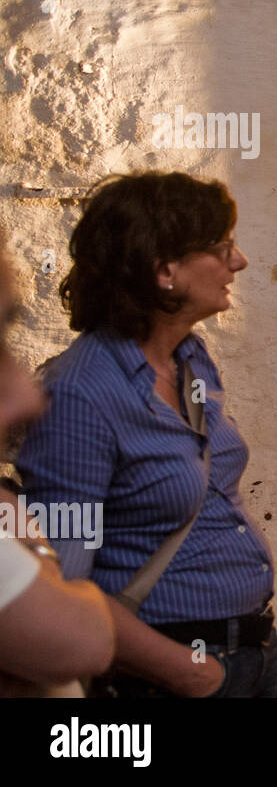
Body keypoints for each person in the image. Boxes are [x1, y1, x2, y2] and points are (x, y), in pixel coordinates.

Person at [17, 172, 277, 697]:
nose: (240, 261)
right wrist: (186, 672)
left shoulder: (191, 358)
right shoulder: (81, 394)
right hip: (165, 676)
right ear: (165, 270)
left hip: (252, 652)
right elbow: (63, 583)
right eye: (222, 247)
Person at [0, 252, 116, 696]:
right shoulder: (76, 388)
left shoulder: (194, 365)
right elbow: (83, 640)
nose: (27, 400)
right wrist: (37, 549)